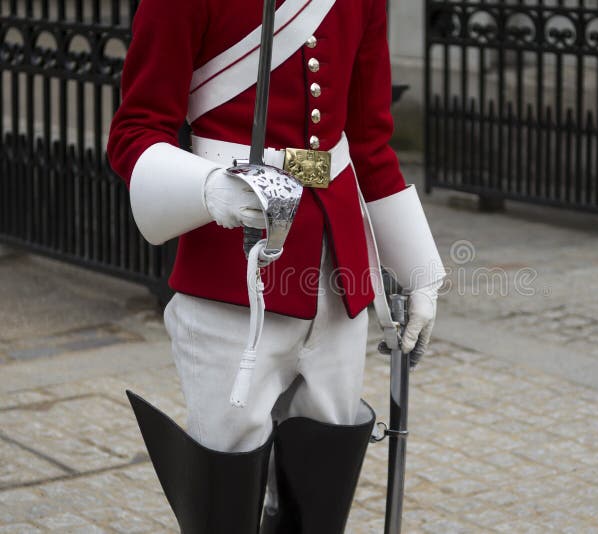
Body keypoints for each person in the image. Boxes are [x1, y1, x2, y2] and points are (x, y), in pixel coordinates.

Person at [107, 0, 444, 532]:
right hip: (232, 272)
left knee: (322, 486)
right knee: (226, 495)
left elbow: (370, 140)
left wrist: (421, 272)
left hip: (338, 275)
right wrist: (209, 189)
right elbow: (135, 131)